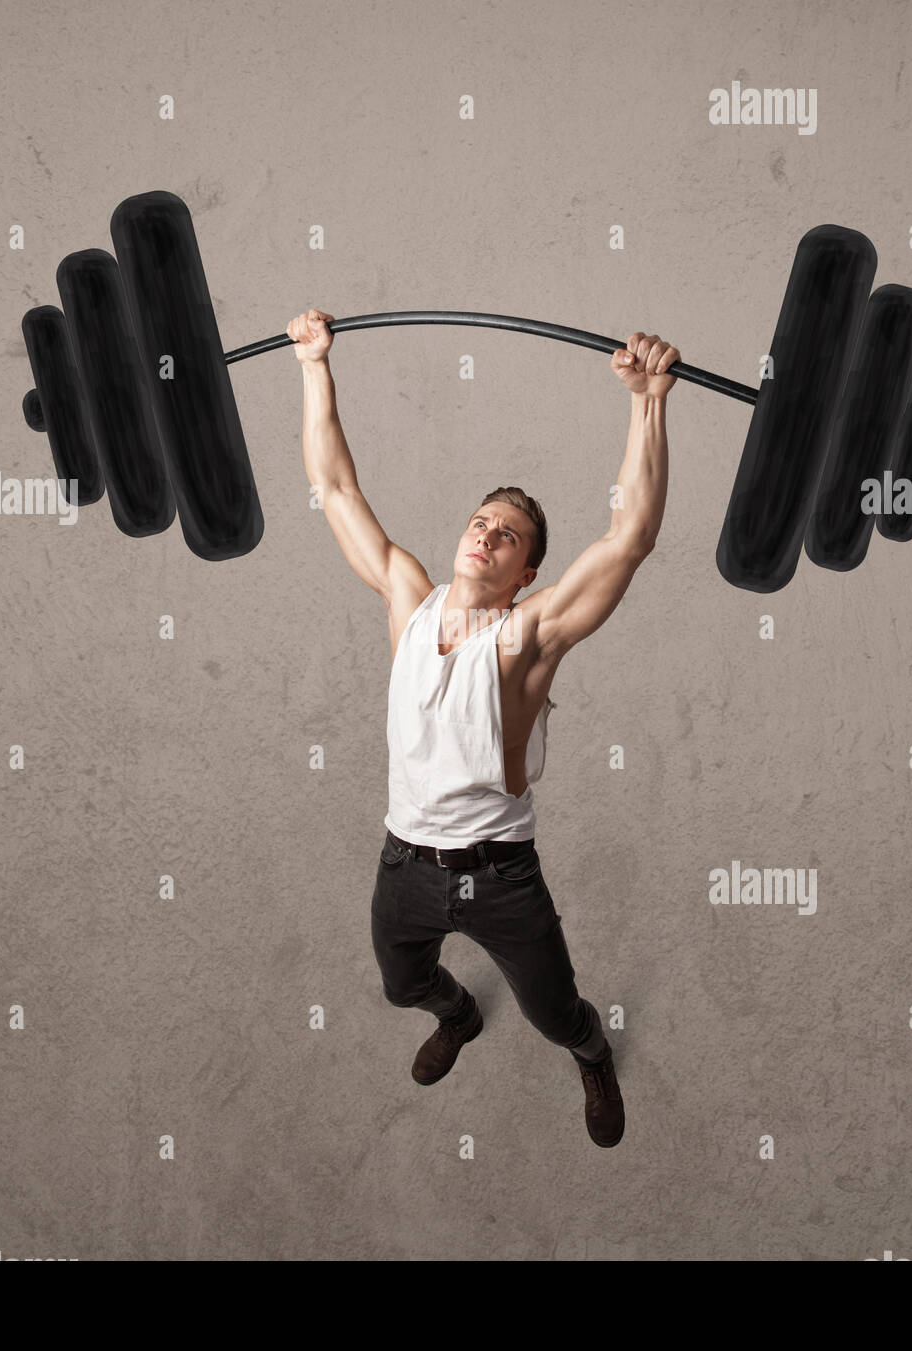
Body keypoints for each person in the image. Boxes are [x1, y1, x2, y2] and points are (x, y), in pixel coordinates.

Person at [288, 307, 677, 1147]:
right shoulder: (406, 597)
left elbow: (630, 537)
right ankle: (457, 1015)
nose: (488, 533)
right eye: (482, 520)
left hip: (501, 877)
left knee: (554, 1009)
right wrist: (316, 365)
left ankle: (593, 1052)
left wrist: (648, 403)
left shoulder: (526, 639)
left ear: (524, 571)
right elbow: (336, 490)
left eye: (509, 536)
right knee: (401, 986)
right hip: (403, 860)